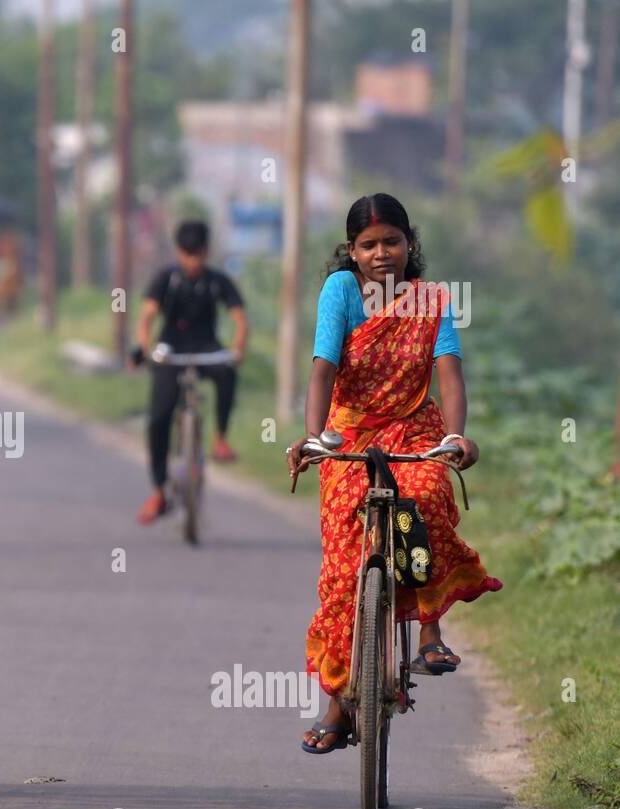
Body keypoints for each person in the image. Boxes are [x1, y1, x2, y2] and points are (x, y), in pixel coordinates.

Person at [286, 193, 503, 754]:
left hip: (415, 429)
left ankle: (430, 632)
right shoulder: (340, 292)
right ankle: (337, 703)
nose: (381, 254)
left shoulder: (430, 299)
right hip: (349, 433)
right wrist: (315, 438)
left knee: (427, 494)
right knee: (345, 555)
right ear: (351, 251)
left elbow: (447, 371)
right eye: (368, 245)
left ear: (410, 245)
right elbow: (323, 367)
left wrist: (454, 439)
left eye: (392, 242)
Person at [134, 220, 248, 525]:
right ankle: (159, 490)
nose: (192, 262)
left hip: (206, 347)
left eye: (197, 255)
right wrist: (144, 349)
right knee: (158, 419)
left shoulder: (217, 281)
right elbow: (146, 317)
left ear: (206, 252)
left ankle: (220, 438)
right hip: (171, 349)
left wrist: (238, 349)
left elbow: (239, 318)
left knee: (227, 373)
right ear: (178, 252)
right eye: (187, 255)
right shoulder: (165, 279)